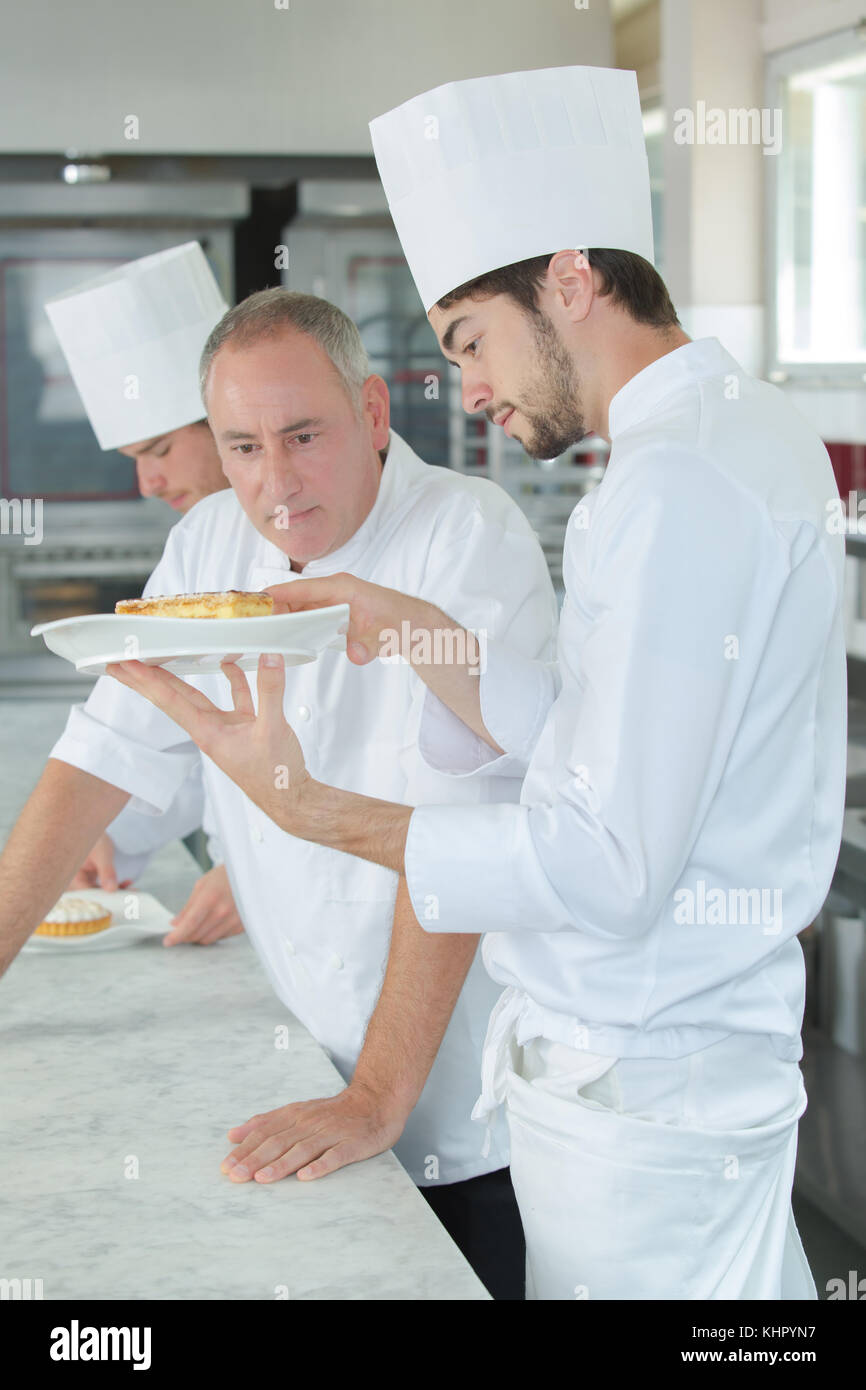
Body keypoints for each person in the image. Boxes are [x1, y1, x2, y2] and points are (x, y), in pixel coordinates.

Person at [106, 66, 846, 1301]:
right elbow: (597, 741)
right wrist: (414, 633)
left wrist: (309, 809)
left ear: (567, 278)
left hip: (639, 1089)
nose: (476, 387)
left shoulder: (674, 489)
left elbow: (607, 861)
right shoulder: (723, 434)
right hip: (663, 1084)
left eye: (471, 341)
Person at [0, 286, 559, 1300]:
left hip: (455, 1092)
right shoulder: (211, 537)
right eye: (244, 447)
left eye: (303, 435)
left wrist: (378, 1096)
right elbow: (106, 751)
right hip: (301, 1049)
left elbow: (460, 838)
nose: (275, 484)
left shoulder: (464, 538)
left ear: (374, 413)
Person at [46, 243, 240, 945]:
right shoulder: (200, 546)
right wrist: (107, 832)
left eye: (158, 451)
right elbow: (155, 733)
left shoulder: (443, 528)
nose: (148, 485)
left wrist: (266, 874)